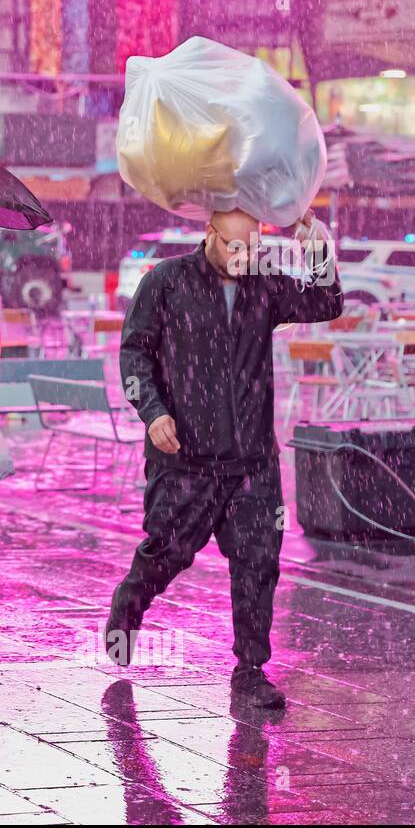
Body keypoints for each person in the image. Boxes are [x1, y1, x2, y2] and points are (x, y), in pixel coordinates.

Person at [107, 208, 342, 708]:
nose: (244, 257)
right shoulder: (167, 281)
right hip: (185, 456)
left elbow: (327, 301)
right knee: (168, 551)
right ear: (209, 235)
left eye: (252, 248)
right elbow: (133, 354)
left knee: (259, 563)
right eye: (234, 247)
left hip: (252, 459)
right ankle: (131, 601)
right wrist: (152, 412)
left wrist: (318, 249)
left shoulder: (264, 285)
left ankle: (251, 669)